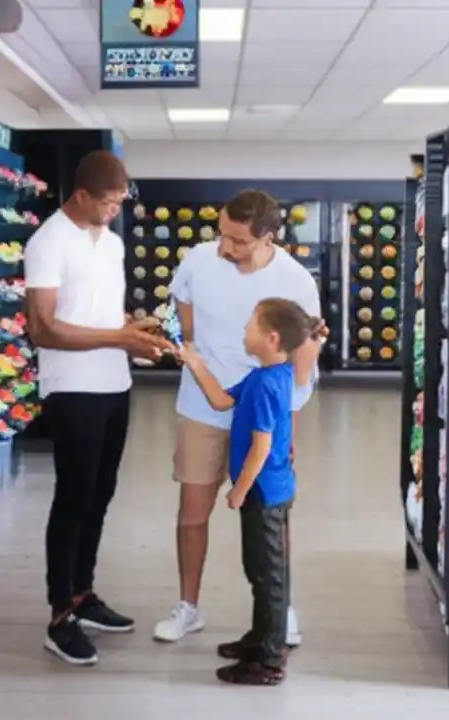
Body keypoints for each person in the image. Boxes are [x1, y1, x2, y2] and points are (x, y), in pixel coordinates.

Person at [24, 150, 174, 666]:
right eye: (108, 202)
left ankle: (83, 594)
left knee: (100, 495)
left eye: (120, 202)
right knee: (72, 499)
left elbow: (102, 312)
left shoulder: (110, 243)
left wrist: (136, 330)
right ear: (82, 194)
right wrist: (119, 336)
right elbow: (41, 327)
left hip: (115, 381)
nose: (115, 210)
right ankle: (59, 614)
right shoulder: (47, 241)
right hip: (71, 388)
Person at [153, 189, 323, 644]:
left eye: (239, 241)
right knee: (192, 512)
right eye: (221, 234)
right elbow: (185, 327)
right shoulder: (197, 261)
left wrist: (289, 422)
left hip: (266, 411)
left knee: (272, 516)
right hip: (202, 405)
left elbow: (303, 358)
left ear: (268, 238)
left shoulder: (296, 280)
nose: (225, 247)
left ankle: (279, 608)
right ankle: (188, 606)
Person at [175, 298, 314, 685]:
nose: (244, 330)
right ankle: (260, 638)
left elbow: (262, 447)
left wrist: (238, 490)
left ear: (270, 338)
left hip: (264, 494)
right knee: (258, 569)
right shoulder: (261, 376)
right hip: (265, 492)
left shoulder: (269, 384)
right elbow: (220, 400)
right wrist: (195, 363)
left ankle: (270, 659)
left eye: (251, 325)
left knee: (268, 576)